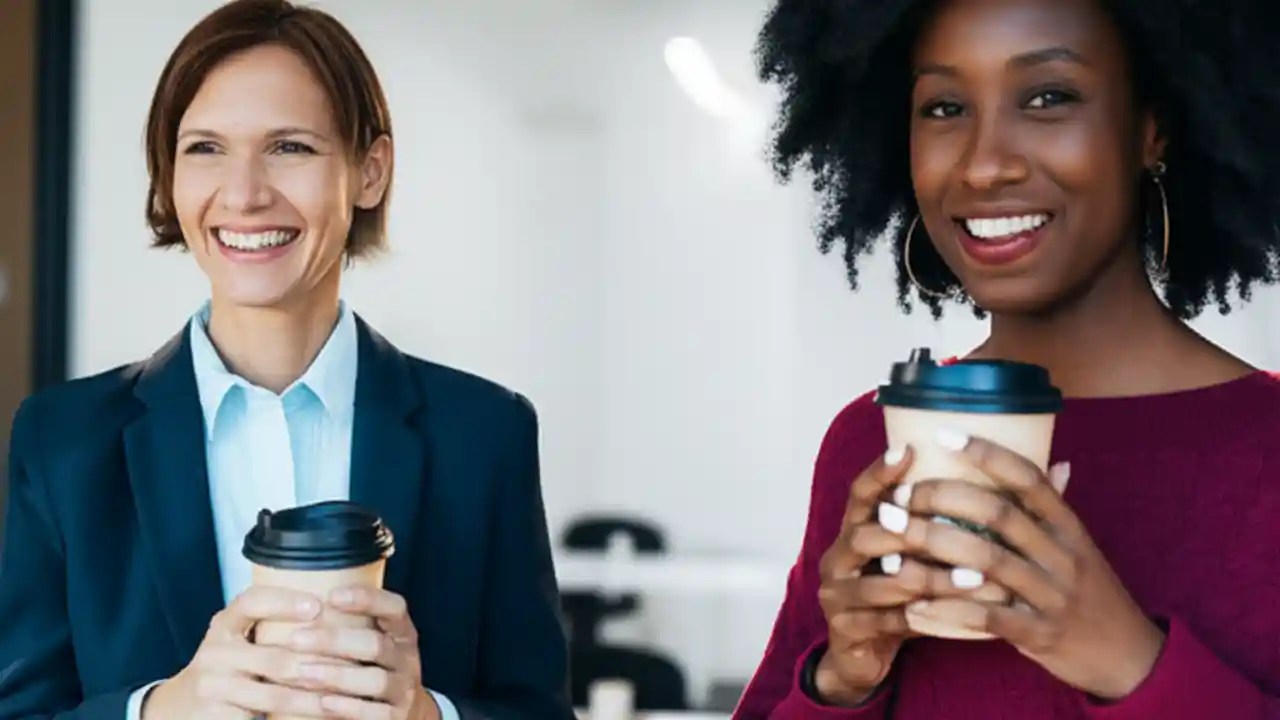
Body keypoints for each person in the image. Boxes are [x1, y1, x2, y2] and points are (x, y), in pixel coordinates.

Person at [0, 1, 571, 718]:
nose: (243, 194)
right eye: (205, 148)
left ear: (370, 171)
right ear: (167, 177)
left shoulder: (484, 433)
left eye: (289, 147)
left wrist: (426, 713)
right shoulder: (63, 441)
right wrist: (159, 710)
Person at [736, 0, 1280, 717]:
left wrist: (1129, 661)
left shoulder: (1264, 448)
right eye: (944, 107)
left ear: (1154, 128)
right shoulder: (869, 443)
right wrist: (842, 679)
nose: (985, 165)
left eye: (1048, 97)